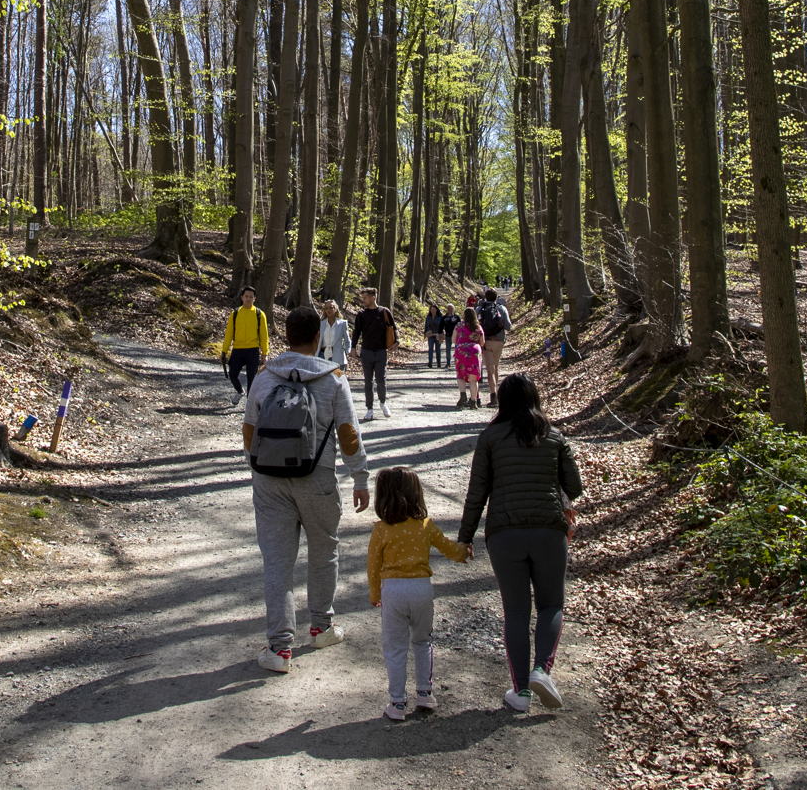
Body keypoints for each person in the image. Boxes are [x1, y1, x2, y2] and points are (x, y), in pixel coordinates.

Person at [243, 305, 370, 673]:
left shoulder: (265, 377)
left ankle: (279, 648)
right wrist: (360, 477)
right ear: (318, 338)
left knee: (277, 562)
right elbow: (348, 434)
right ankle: (321, 627)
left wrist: (258, 468)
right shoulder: (333, 379)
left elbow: (249, 429)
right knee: (324, 551)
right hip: (319, 480)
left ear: (286, 336)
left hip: (270, 482)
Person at [456, 372, 582, 714]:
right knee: (551, 605)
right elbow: (575, 486)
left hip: (504, 533)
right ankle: (542, 669)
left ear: (504, 402)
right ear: (534, 399)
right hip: (549, 531)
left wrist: (465, 538)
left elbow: (477, 492)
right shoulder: (553, 436)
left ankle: (521, 692)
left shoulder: (490, 437)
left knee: (515, 611)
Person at [367, 466, 469, 721]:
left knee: (395, 647)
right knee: (423, 641)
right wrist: (463, 552)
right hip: (422, 588)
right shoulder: (426, 526)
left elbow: (373, 566)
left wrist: (375, 594)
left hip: (393, 590)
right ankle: (425, 692)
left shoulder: (381, 529)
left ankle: (397, 702)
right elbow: (448, 548)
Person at [351, 287, 398, 421]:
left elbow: (393, 327)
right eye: (363, 298)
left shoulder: (384, 312)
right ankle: (369, 409)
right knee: (368, 381)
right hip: (366, 351)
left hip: (381, 351)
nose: (363, 300)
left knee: (381, 379)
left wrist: (397, 341)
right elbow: (356, 332)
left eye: (365, 298)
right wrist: (353, 347)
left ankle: (383, 403)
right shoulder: (361, 314)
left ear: (373, 297)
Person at [219, 287, 271, 406]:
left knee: (251, 379)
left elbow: (264, 336)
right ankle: (240, 391)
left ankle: (250, 405)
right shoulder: (235, 313)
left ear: (254, 298)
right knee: (232, 374)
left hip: (253, 351)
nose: (248, 299)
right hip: (238, 349)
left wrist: (265, 353)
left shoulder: (259, 314)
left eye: (251, 297)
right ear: (242, 297)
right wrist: (224, 351)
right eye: (246, 296)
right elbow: (229, 334)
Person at [475, 287, 512, 403]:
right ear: (497, 297)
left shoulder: (480, 308)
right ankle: (495, 394)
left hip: (486, 341)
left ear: (485, 297)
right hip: (499, 341)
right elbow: (508, 326)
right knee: (495, 367)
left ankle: (493, 395)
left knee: (489, 369)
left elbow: (474, 325)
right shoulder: (502, 308)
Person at [453, 304, 485, 409]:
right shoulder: (478, 327)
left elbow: (453, 340)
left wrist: (462, 342)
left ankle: (463, 396)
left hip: (461, 351)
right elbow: (482, 342)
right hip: (474, 352)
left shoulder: (459, 325)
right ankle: (473, 401)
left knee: (460, 374)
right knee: (473, 378)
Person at [318, 298, 353, 377]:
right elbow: (317, 340)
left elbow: (347, 340)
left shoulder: (342, 323)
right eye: (326, 308)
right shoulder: (321, 323)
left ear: (336, 309)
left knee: (338, 378)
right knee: (324, 380)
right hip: (322, 356)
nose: (329, 310)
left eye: (331, 307)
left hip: (338, 357)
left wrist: (347, 352)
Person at [424, 304, 450, 369]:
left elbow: (443, 326)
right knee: (430, 349)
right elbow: (426, 326)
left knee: (438, 350)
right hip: (430, 335)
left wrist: (442, 333)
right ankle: (430, 363)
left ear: (436, 310)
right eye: (431, 309)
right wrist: (425, 333)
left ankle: (438, 363)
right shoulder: (428, 317)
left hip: (438, 335)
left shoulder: (440, 317)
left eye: (434, 309)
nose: (432, 310)